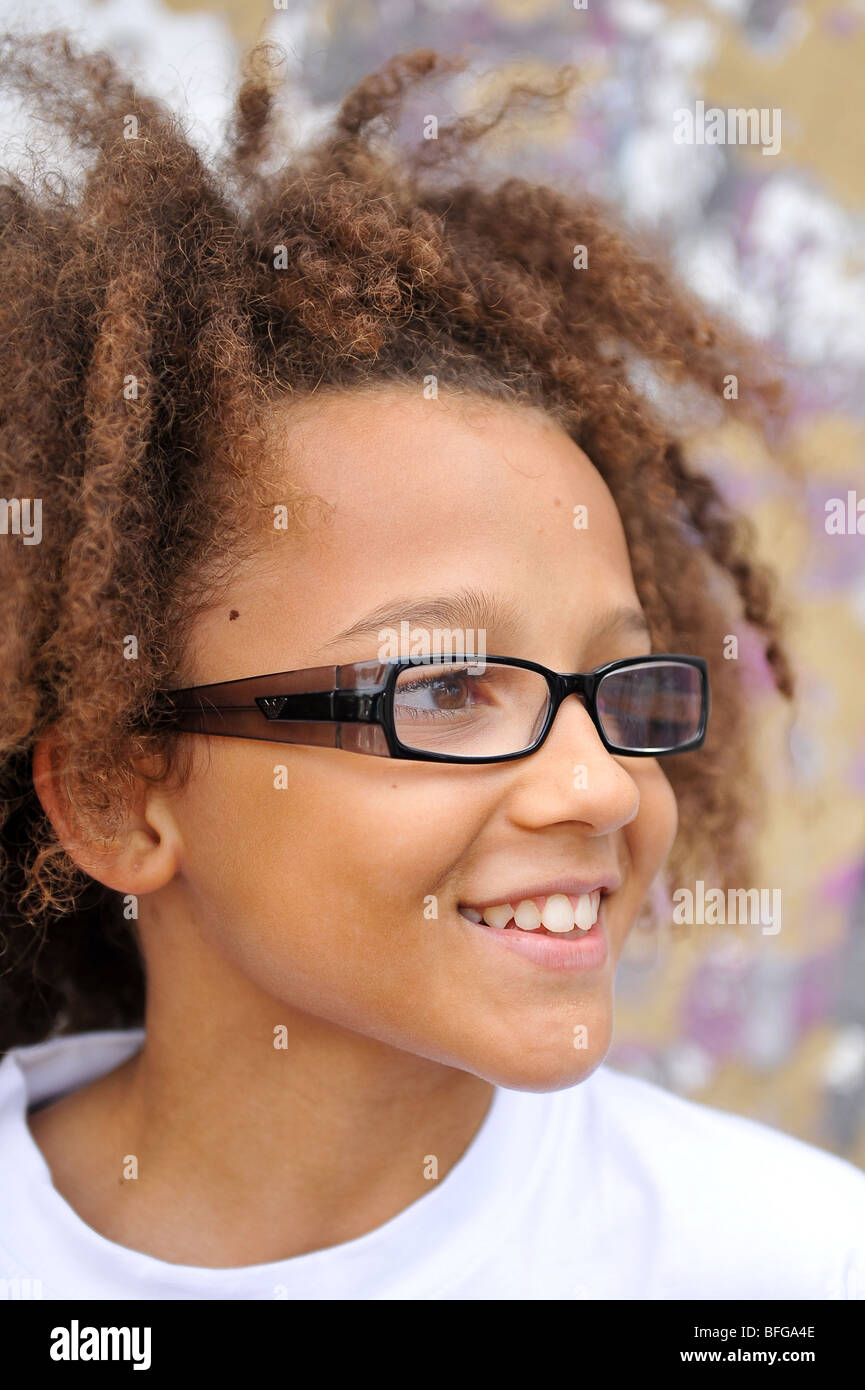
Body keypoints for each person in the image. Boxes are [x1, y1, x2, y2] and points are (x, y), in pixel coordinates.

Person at [0, 30, 862, 1301]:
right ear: (125, 794)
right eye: (448, 689)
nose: (606, 788)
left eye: (622, 692)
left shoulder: (780, 1272)